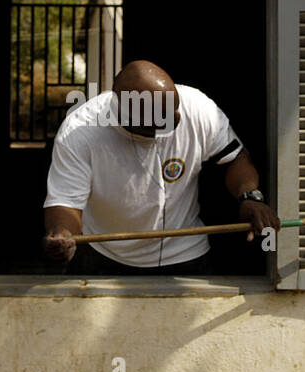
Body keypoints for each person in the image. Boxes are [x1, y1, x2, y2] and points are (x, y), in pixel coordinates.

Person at [42, 60, 280, 275]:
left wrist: (250, 196)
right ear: (125, 117)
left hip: (186, 253)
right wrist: (64, 235)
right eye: (159, 122)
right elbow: (65, 202)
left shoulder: (197, 107)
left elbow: (236, 159)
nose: (175, 121)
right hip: (105, 256)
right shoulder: (80, 131)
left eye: (174, 111)